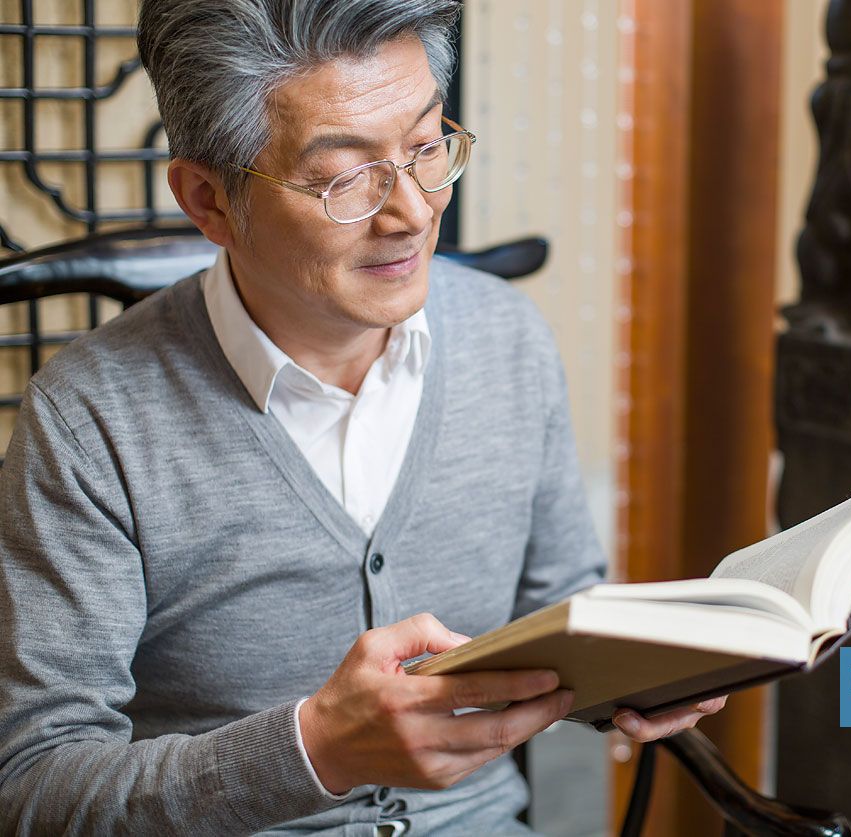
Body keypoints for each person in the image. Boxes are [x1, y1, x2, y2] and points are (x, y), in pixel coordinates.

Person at [0, 1, 723, 833]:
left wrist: (649, 669)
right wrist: (314, 751)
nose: (412, 212)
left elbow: (559, 606)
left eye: (426, 147)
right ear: (209, 200)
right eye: (345, 177)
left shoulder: (507, 338)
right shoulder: (90, 419)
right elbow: (32, 785)